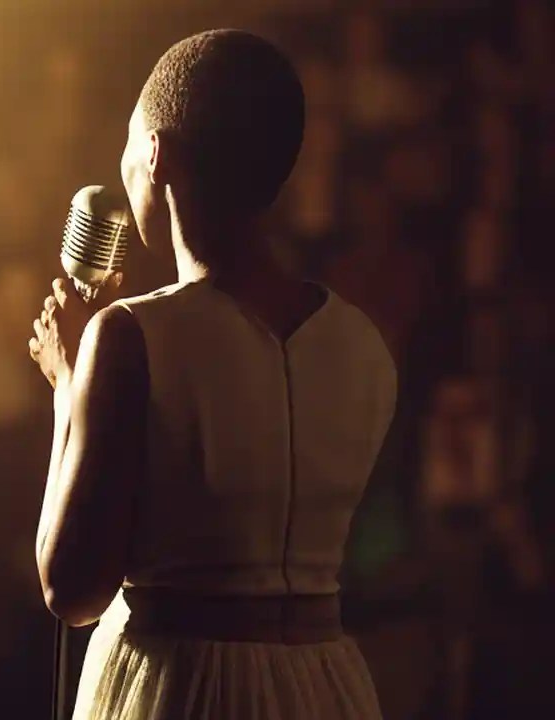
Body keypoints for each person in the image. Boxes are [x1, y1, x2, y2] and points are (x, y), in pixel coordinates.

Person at [28, 30, 395, 719]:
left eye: (131, 145)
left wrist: (67, 389)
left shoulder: (132, 335)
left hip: (179, 685)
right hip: (329, 683)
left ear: (157, 155)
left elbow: (72, 591)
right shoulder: (362, 342)